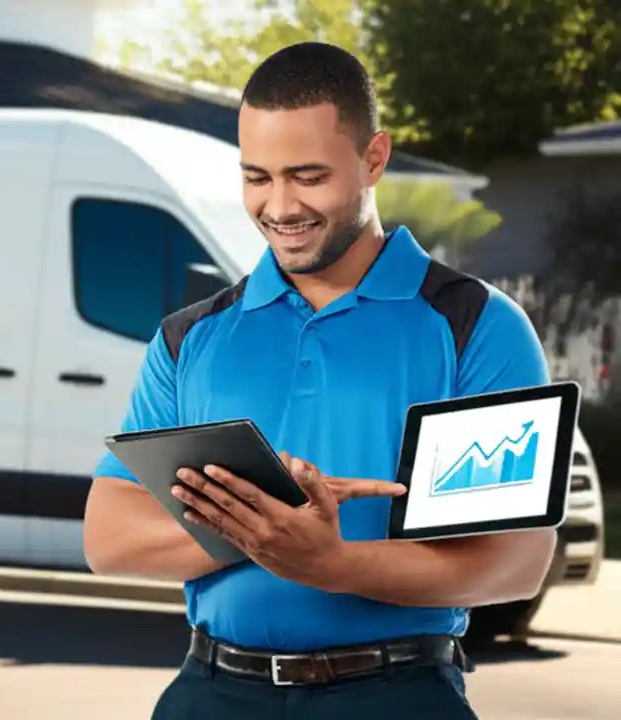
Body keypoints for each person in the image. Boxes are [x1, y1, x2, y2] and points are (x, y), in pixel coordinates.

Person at [82, 42, 556, 719]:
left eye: (308, 176)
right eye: (257, 177)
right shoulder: (192, 338)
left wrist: (332, 562)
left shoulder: (472, 325)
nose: (280, 206)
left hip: (397, 696)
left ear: (374, 159)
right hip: (210, 691)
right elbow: (110, 538)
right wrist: (266, 528)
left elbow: (514, 562)